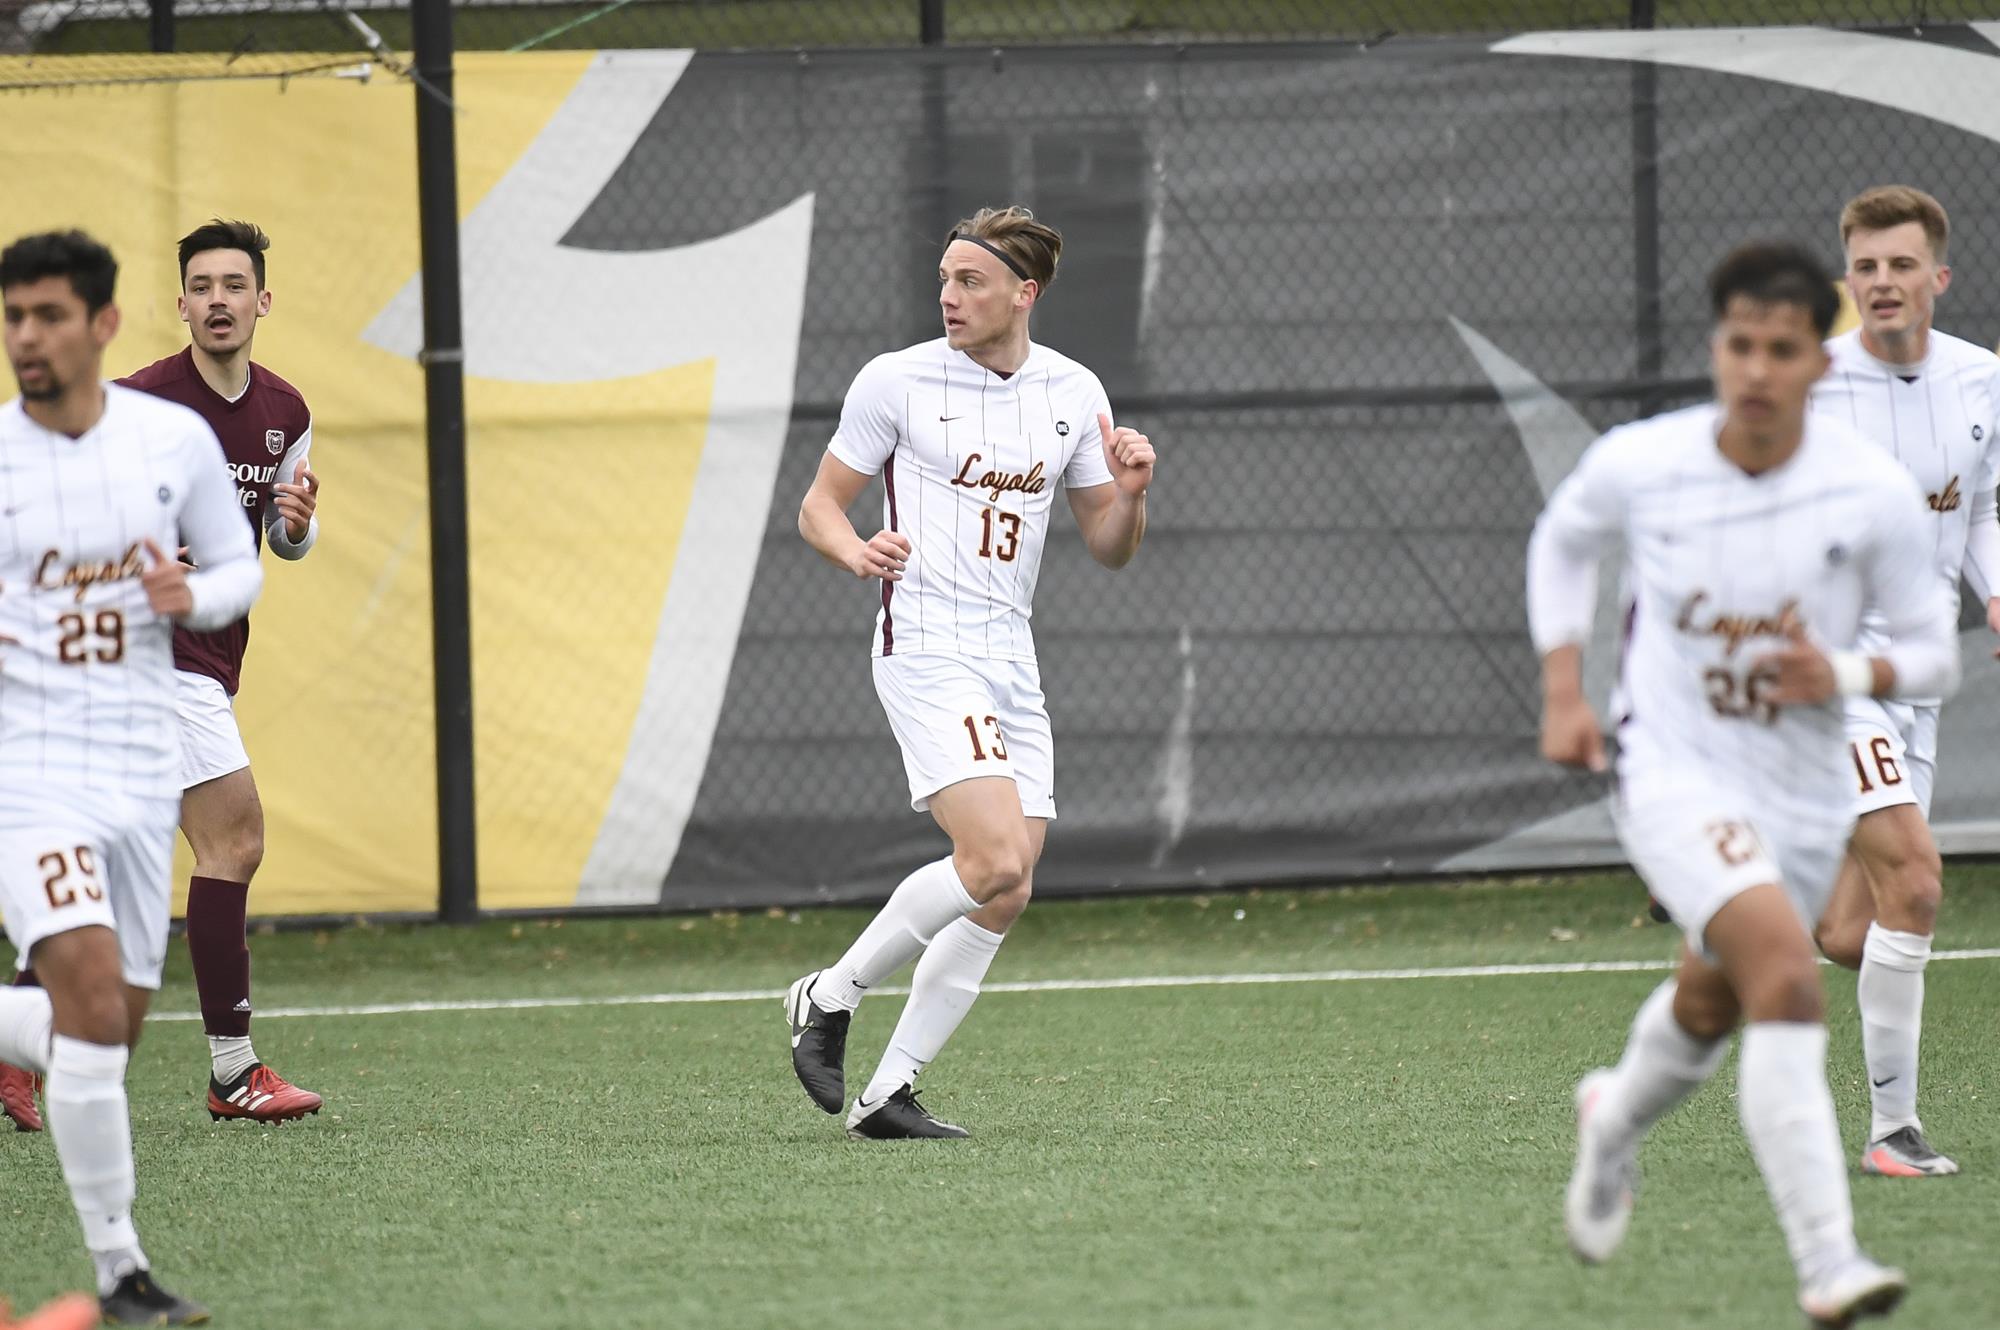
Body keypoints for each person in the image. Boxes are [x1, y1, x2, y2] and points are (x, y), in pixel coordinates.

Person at [1532, 240, 1957, 1326]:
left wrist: (1846, 671)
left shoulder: (1865, 492)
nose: (1756, 370)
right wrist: (1562, 688)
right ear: (1714, 349)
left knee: (1711, 997)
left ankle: (1610, 1120)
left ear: (1818, 363)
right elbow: (1564, 540)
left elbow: (1930, 653)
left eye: (1781, 349)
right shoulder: (1646, 459)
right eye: (1738, 346)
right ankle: (1825, 1263)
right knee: (1786, 973)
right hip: (1671, 769)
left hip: (1803, 782)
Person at [783, 206, 1155, 1140]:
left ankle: (887, 1093)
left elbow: (1109, 547)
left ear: (1024, 294)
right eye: (945, 279)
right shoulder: (897, 380)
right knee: (991, 858)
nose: (949, 296)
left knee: (1011, 886)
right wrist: (856, 550)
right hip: (925, 642)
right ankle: (829, 996)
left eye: (972, 281)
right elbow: (819, 508)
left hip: (1010, 655)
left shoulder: (1073, 390)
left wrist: (1135, 495)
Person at [0, 220, 321, 1130]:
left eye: (235, 284)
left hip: (207, 658)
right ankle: (233, 1069)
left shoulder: (286, 411)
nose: (218, 300)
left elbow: (285, 543)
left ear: (263, 299)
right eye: (201, 286)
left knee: (105, 856)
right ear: (178, 304)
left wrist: (294, 524)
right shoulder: (139, 407)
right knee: (235, 839)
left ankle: (17, 1039)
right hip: (147, 658)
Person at [0, 228, 264, 1324]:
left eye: (47, 315)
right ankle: (122, 1271)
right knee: (94, 999)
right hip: (27, 775)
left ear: (103, 326)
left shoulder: (170, 442)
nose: (26, 337)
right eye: (13, 317)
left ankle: (121, 1277)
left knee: (104, 1028)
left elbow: (238, 564)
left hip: (139, 765)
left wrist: (188, 599)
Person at [1807, 185, 2000, 1178]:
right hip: (1830, 674)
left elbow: (1977, 512)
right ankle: (1891, 1134)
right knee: (1919, 882)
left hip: (1918, 674)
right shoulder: (1805, 384)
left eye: (1898, 265)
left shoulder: (1981, 381)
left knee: (1855, 928)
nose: (1880, 282)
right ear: (1848, 277)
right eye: (1864, 266)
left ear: (1937, 277)